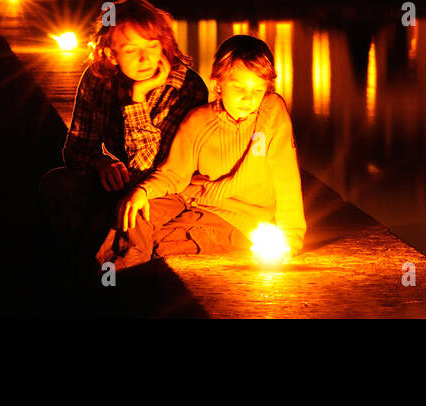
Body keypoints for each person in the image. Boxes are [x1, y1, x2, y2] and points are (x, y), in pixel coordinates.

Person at [96, 35, 306, 269]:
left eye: (258, 90)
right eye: (239, 88)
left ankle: (118, 276)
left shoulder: (271, 113)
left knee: (164, 243)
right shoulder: (198, 120)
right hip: (192, 197)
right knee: (134, 213)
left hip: (238, 219)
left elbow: (286, 178)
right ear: (218, 84)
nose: (248, 99)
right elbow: (174, 173)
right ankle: (109, 276)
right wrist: (143, 191)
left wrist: (290, 240)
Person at [38, 0, 208, 272]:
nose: (145, 59)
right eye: (131, 50)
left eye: (153, 47)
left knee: (130, 212)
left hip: (166, 189)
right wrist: (101, 163)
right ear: (111, 52)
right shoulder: (97, 79)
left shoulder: (185, 88)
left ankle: (118, 280)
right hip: (123, 183)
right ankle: (64, 271)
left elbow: (149, 167)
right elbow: (76, 147)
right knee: (57, 183)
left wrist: (137, 99)